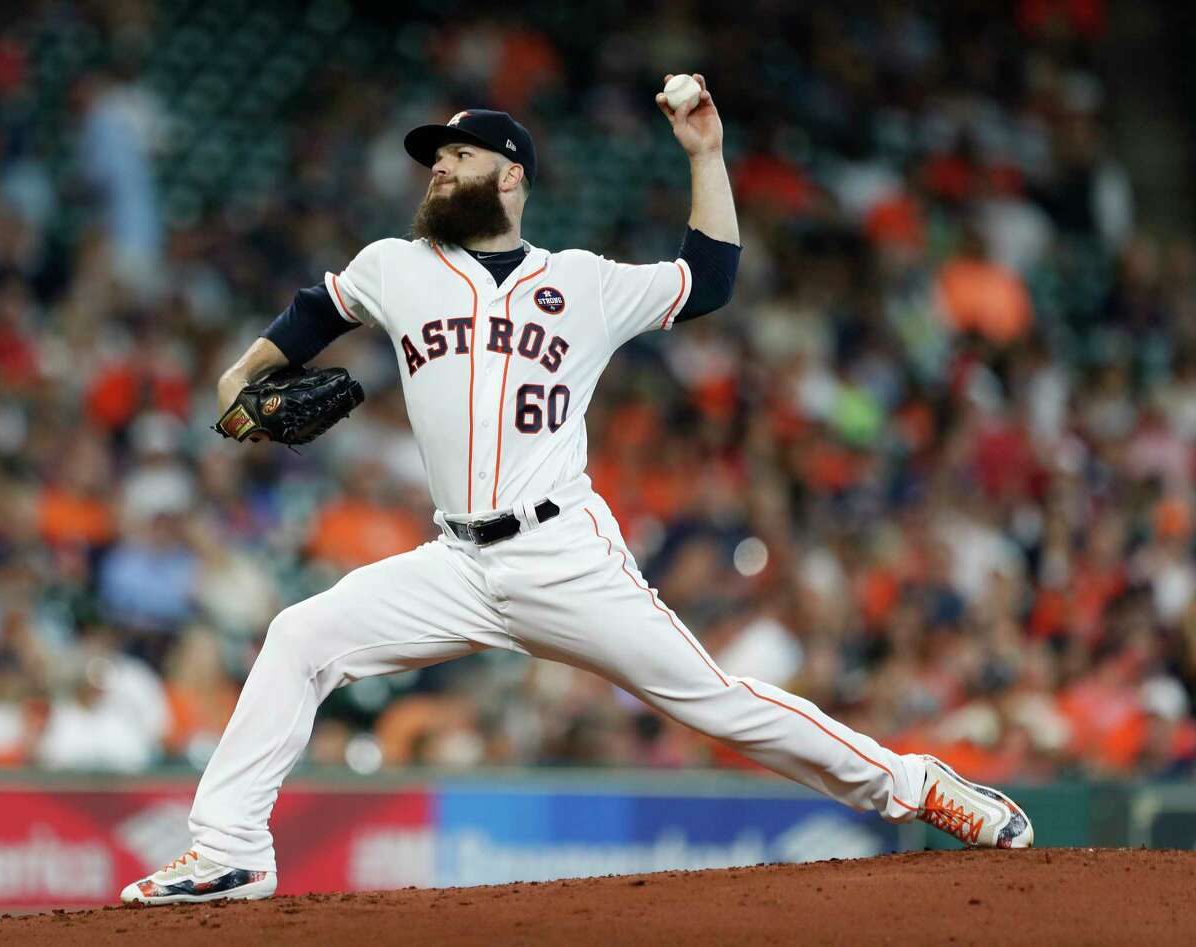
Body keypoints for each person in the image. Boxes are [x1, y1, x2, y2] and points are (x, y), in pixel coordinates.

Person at [121, 74, 1032, 905]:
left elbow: (708, 280)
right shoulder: (393, 266)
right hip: (453, 561)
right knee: (300, 636)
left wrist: (707, 155)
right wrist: (241, 374)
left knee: (716, 702)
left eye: (459, 155)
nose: (439, 169)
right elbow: (306, 321)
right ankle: (230, 848)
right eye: (434, 160)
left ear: (510, 176)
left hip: (562, 552)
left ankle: (919, 787)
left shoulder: (583, 283)